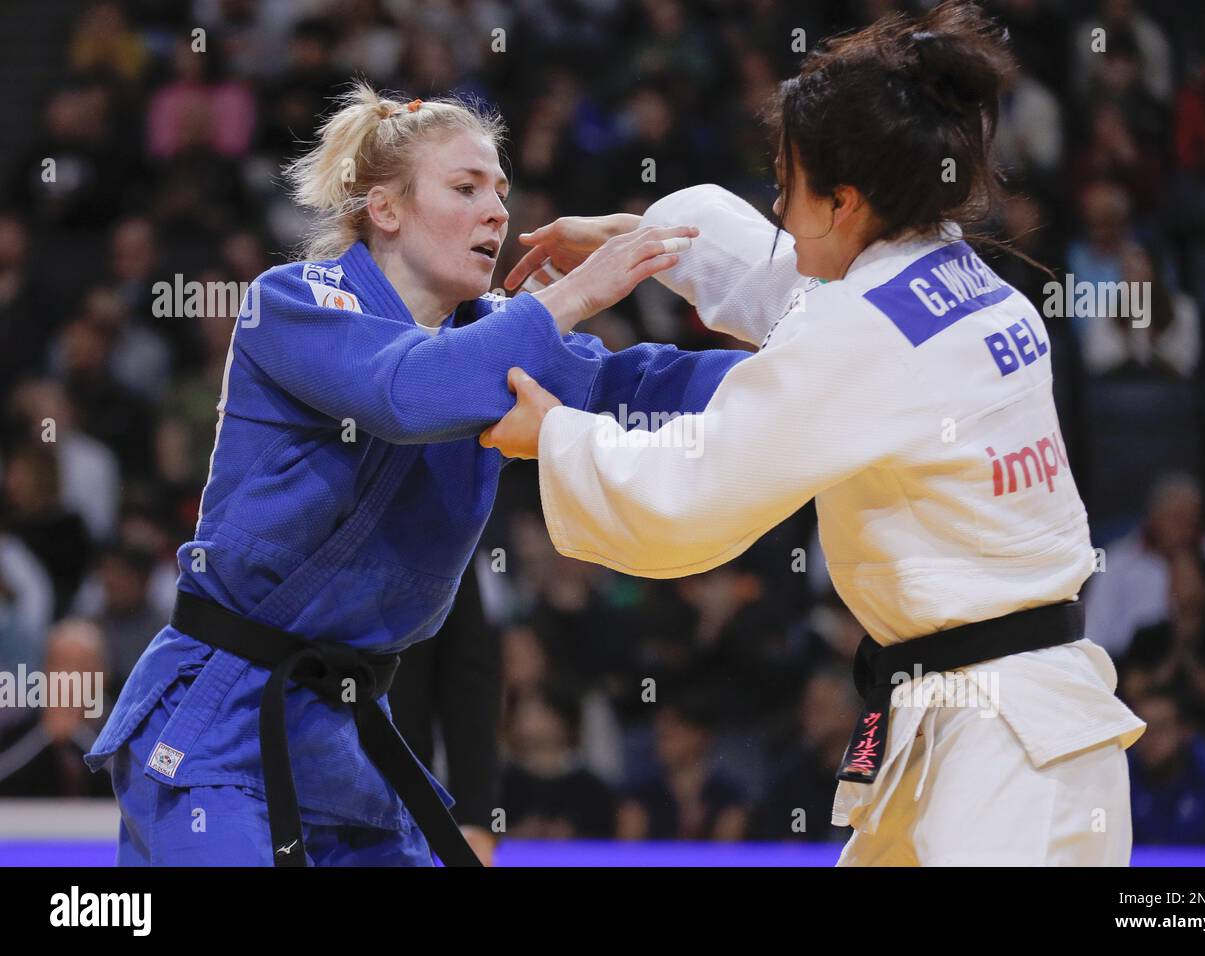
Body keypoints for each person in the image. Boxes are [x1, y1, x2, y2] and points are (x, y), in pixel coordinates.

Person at [486, 1, 1146, 866]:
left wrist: (557, 441)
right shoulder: (962, 278)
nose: (773, 200)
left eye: (785, 181)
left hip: (1006, 753)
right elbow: (812, 308)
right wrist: (645, 242)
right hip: (995, 722)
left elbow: (697, 490)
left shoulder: (864, 333)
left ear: (845, 200)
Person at [84, 81, 747, 867]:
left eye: (502, 191)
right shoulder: (292, 304)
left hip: (341, 739)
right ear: (385, 210)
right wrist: (572, 295)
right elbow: (404, 393)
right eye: (466, 189)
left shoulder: (498, 337)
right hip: (219, 730)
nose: (498, 212)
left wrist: (798, 362)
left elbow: (634, 388)